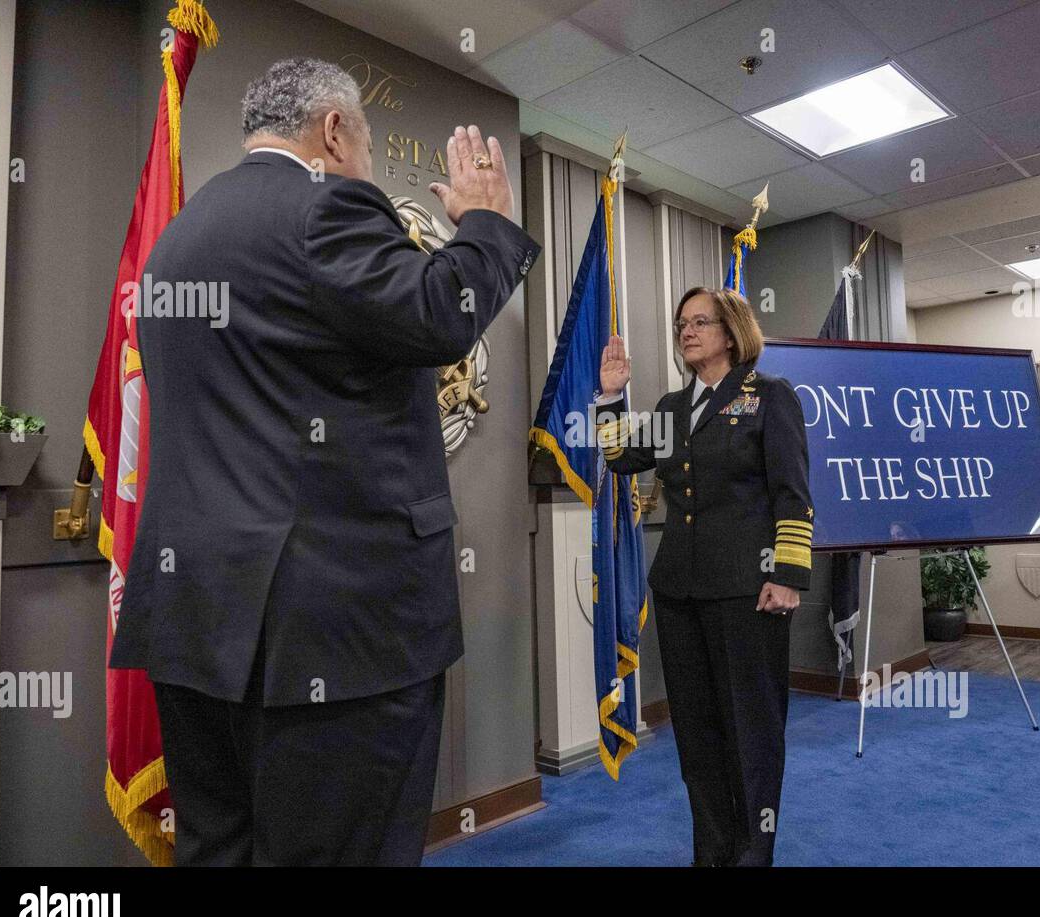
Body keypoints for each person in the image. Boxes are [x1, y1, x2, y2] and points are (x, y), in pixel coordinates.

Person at [109, 58, 540, 865]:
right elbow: (441, 317)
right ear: (334, 129)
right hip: (331, 635)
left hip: (196, 620)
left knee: (220, 850)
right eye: (369, 141)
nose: (369, 161)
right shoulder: (323, 206)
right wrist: (483, 224)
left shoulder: (176, 239)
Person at [594, 287, 813, 866]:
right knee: (696, 730)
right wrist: (611, 397)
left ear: (732, 330)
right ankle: (712, 849)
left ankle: (753, 851)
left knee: (752, 727)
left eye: (700, 322)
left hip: (750, 588)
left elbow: (793, 494)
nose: (686, 332)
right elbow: (622, 459)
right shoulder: (669, 408)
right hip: (680, 591)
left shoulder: (769, 397)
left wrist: (788, 573)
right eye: (680, 324)